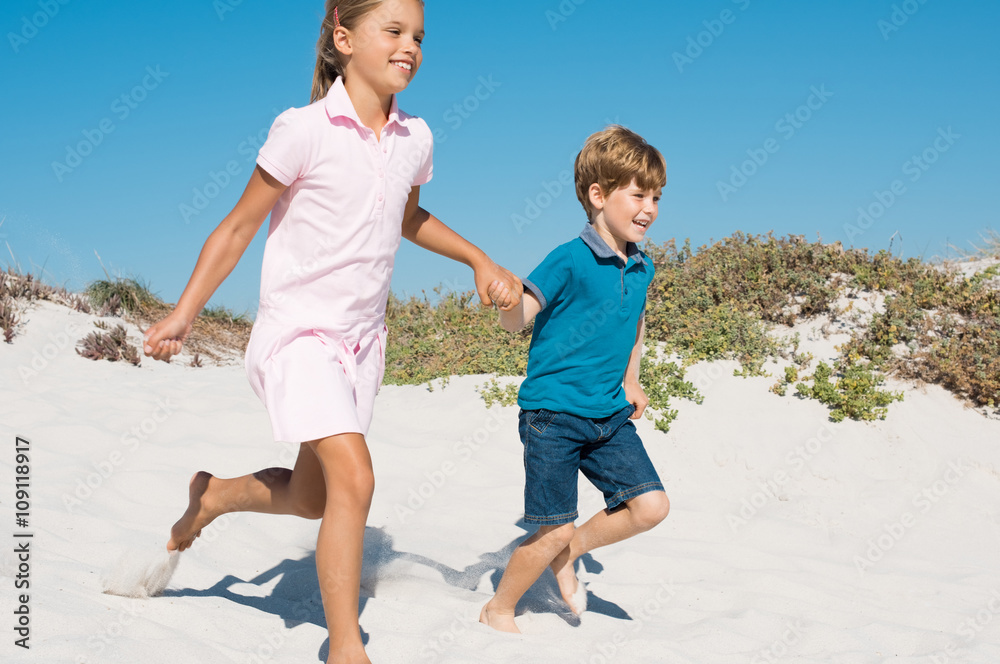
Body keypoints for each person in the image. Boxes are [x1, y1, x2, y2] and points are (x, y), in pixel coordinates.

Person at [142, 1, 521, 661]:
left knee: (314, 498)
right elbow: (236, 228)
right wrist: (184, 312)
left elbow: (406, 217)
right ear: (343, 38)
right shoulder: (303, 129)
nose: (410, 47)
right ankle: (346, 648)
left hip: (360, 345)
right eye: (394, 31)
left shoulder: (416, 139)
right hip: (298, 335)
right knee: (357, 479)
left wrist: (478, 258)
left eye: (419, 37)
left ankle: (213, 495)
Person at [479, 126, 671, 634]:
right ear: (598, 195)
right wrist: (505, 301)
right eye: (638, 194)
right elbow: (521, 313)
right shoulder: (570, 257)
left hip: (608, 413)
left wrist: (633, 380)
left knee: (651, 506)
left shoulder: (641, 266)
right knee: (549, 531)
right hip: (553, 416)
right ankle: (498, 607)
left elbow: (635, 324)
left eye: (656, 196)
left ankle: (573, 549)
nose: (649, 207)